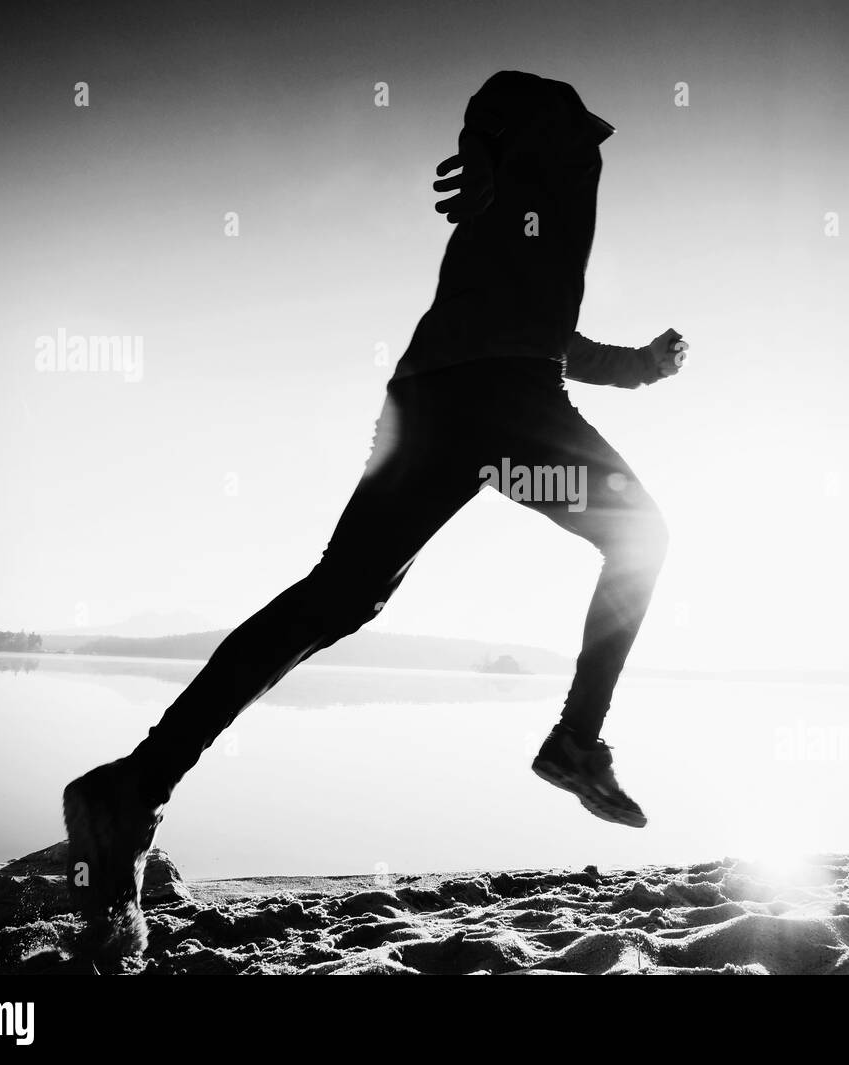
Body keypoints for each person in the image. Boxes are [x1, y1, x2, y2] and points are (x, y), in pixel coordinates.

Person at [62, 70, 690, 961]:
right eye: (583, 137)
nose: (594, 152)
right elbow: (507, 168)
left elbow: (550, 327)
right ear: (552, 134)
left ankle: (136, 786)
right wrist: (496, 171)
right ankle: (577, 741)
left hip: (434, 407)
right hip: (509, 412)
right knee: (639, 535)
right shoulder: (542, 167)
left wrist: (637, 367)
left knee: (339, 596)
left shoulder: (517, 223)